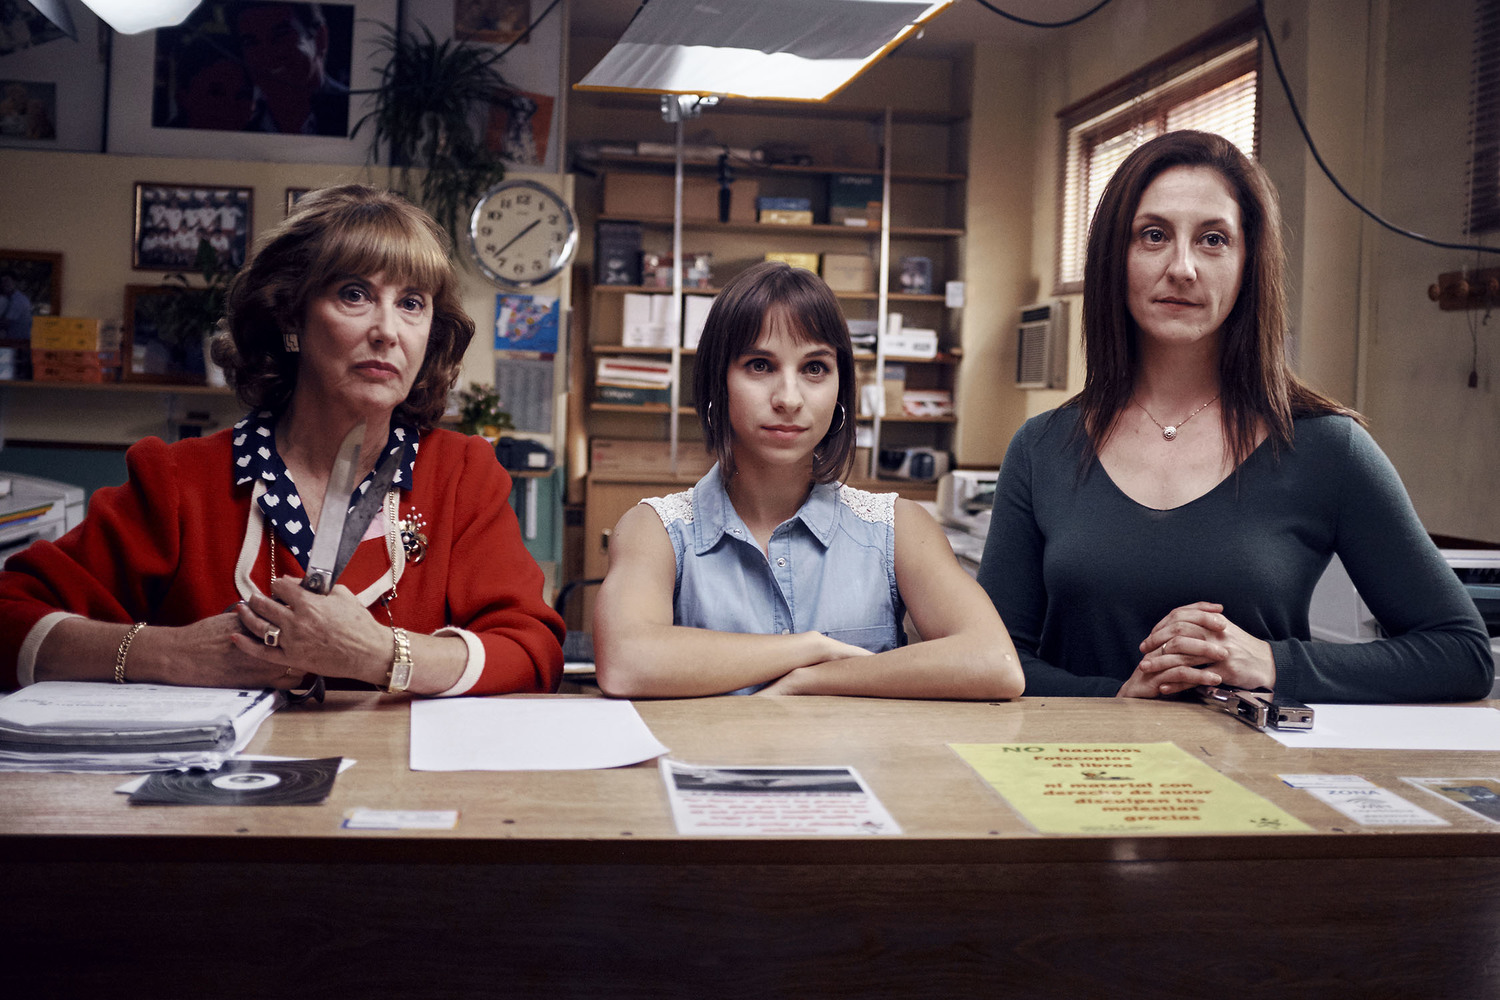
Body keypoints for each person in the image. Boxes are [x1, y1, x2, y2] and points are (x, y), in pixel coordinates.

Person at [977, 130, 1492, 703]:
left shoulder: (1326, 447)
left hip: (1255, 779)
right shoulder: (1042, 446)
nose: (1182, 267)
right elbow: (995, 659)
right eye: (1153, 236)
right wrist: (1119, 697)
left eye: (1214, 239)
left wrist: (1269, 660)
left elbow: (1460, 652)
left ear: (1249, 264)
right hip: (1074, 773)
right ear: (1113, 259)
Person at [0, 185, 565, 695]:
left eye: (412, 303)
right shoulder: (181, 480)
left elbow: (533, 652)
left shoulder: (462, 474)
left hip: (402, 796)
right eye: (354, 294)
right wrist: (175, 654)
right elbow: (8, 619)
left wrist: (384, 656)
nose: (388, 331)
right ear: (290, 319)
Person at [594, 260, 1023, 700]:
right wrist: (808, 648)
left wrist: (813, 678)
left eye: (814, 368)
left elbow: (995, 662)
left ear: (840, 388)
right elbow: (627, 662)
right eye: (760, 365)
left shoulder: (898, 527)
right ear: (716, 383)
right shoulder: (656, 530)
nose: (789, 399)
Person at [233, 2, 349, 136]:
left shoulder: (354, 112)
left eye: (281, 35)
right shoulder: (241, 129)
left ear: (320, 39)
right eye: (251, 43)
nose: (266, 55)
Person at [0, 272, 31, 339]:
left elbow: (5, 323)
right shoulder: (7, 299)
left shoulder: (18, 300)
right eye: (2, 281)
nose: (4, 284)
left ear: (14, 282)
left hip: (19, 342)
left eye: (7, 281)